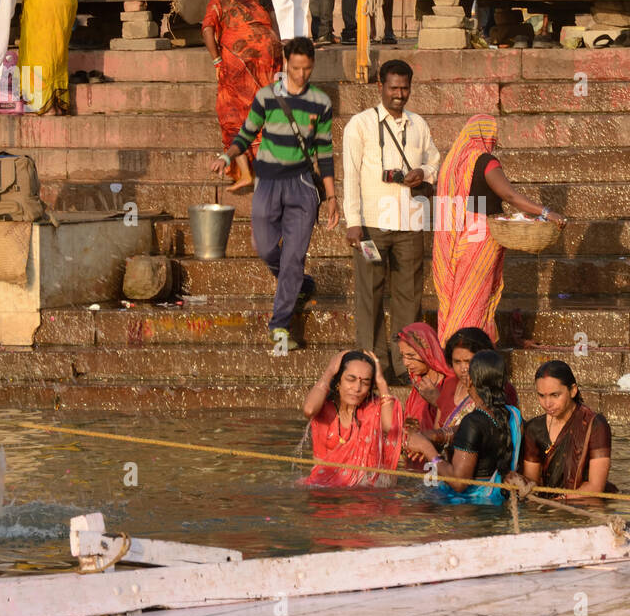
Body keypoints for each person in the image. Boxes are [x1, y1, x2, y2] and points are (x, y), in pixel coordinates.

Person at [215, 37, 338, 352]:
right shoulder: (267, 97)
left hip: (302, 186)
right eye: (296, 68)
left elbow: (324, 152)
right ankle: (301, 284)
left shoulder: (321, 103)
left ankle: (280, 327)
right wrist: (228, 157)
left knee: (294, 257)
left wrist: (332, 197)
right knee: (265, 247)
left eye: (307, 68)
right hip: (268, 183)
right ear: (286, 64)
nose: (301, 75)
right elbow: (245, 133)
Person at [343, 58, 440, 381]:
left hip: (410, 223)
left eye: (405, 88)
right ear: (380, 86)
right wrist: (352, 221)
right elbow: (351, 175)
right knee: (369, 293)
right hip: (371, 225)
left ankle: (404, 364)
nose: (399, 94)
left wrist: (421, 173)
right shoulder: (360, 125)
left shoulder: (419, 124)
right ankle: (372, 363)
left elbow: (435, 162)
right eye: (393, 88)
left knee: (409, 296)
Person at [432, 115, 565, 346]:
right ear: (487, 136)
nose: (495, 140)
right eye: (494, 135)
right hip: (480, 239)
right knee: (474, 303)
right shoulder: (485, 161)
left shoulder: (453, 163)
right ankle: (463, 354)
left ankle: (460, 350)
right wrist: (545, 212)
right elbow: (509, 195)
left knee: (458, 301)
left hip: (459, 238)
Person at [202, 0, 283, 192]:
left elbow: (207, 29)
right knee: (265, 110)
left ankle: (246, 173)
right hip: (270, 52)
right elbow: (275, 30)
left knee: (231, 113)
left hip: (238, 56)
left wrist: (217, 61)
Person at [404, 349, 522, 505]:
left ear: (470, 381)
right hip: (498, 500)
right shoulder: (513, 415)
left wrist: (428, 450)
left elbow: (459, 483)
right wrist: (426, 438)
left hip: (470, 507)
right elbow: (460, 432)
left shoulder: (473, 422)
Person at [301, 349, 404, 487]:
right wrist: (330, 371)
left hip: (367, 495)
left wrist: (381, 382)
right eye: (351, 379)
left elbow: (392, 429)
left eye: (366, 382)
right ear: (338, 381)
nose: (357, 388)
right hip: (325, 492)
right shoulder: (324, 408)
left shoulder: (375, 409)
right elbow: (309, 409)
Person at [520, 360, 614, 496]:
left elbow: (595, 486)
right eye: (541, 396)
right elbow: (531, 484)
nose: (547, 403)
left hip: (585, 507)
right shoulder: (534, 428)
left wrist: (559, 503)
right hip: (546, 508)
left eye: (555, 395)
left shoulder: (595, 425)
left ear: (573, 390)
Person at [396, 321, 453, 432]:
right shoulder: (418, 383)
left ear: (427, 352)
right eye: (402, 356)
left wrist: (438, 401)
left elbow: (458, 419)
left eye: (411, 355)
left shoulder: (451, 383)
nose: (405, 363)